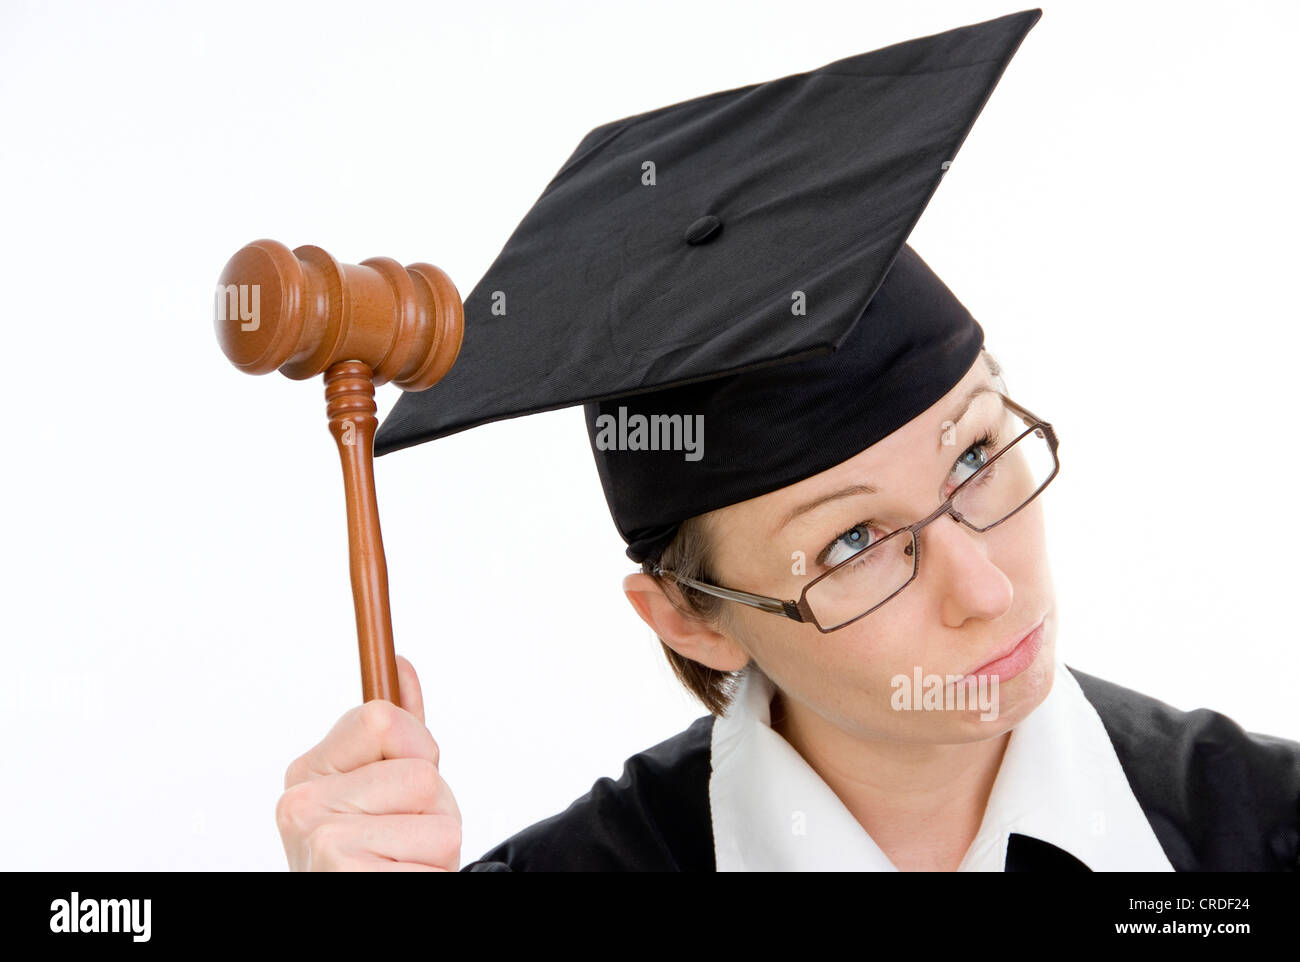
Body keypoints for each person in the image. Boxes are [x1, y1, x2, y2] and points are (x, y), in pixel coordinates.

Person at [273, 9, 1300, 871]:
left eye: (976, 455)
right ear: (690, 620)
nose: (982, 587)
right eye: (854, 541)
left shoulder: (1261, 829)